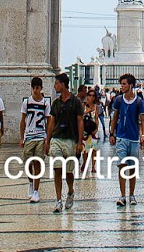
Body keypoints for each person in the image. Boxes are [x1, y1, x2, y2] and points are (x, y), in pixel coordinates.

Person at [43, 72, 84, 213]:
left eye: (56, 83)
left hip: (70, 140)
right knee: (57, 168)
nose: (54, 86)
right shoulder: (55, 103)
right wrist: (47, 141)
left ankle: (71, 191)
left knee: (69, 172)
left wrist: (80, 142)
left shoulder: (76, 101)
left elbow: (80, 121)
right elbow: (51, 123)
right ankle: (58, 200)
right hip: (57, 139)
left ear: (63, 84)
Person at [110, 73, 144, 207]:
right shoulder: (119, 100)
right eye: (121, 84)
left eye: (124, 84)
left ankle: (131, 194)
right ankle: (122, 195)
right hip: (121, 137)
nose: (122, 86)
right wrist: (111, 133)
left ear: (130, 85)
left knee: (132, 168)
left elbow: (143, 119)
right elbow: (115, 117)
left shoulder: (138, 101)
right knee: (121, 166)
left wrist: (143, 135)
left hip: (134, 138)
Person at [19, 76, 50, 203]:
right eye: (33, 88)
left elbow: (48, 122)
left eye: (37, 88)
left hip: (40, 135)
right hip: (29, 135)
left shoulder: (45, 103)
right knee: (27, 162)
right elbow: (22, 121)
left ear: (41, 88)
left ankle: (36, 191)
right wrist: (22, 137)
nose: (35, 91)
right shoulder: (26, 102)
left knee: (37, 162)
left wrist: (47, 138)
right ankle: (31, 182)